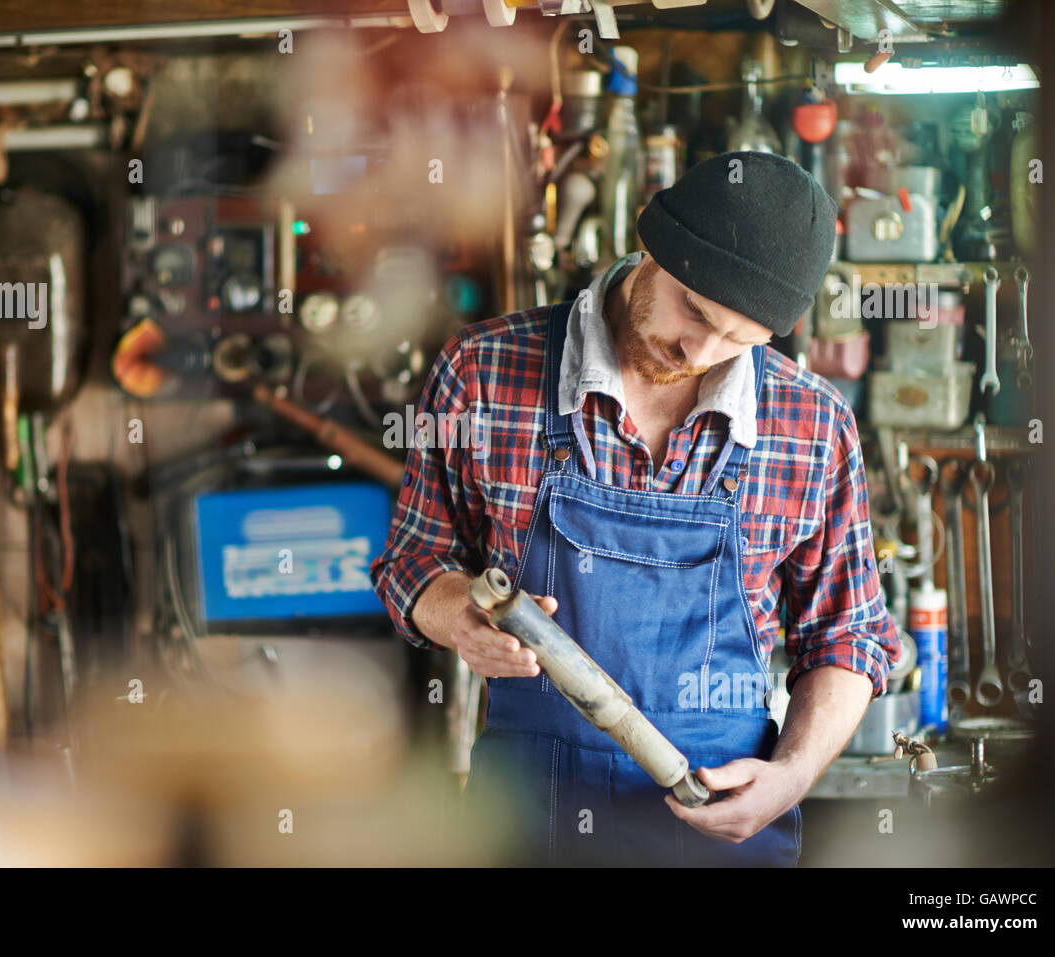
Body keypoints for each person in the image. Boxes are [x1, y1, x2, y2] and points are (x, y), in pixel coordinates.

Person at [370, 151, 901, 865]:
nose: (700, 351)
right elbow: (413, 561)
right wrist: (457, 616)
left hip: (714, 829)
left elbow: (848, 635)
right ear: (653, 245)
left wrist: (790, 777)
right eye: (697, 311)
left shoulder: (812, 425)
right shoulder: (482, 372)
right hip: (529, 822)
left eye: (739, 340)